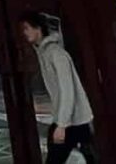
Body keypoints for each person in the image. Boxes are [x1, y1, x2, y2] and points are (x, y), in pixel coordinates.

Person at [17, 13, 97, 164]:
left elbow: (67, 90)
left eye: (27, 28)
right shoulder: (44, 52)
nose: (24, 32)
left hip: (72, 121)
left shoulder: (56, 54)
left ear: (38, 29)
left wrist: (62, 124)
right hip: (75, 120)